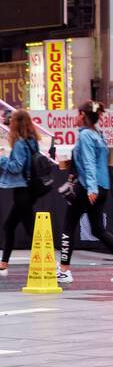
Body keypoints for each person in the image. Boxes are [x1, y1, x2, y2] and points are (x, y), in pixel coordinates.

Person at [57, 102, 113, 285]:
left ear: (82, 115)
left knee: (68, 226)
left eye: (77, 114)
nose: (75, 117)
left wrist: (91, 188)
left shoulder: (86, 135)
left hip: (88, 188)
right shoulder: (98, 135)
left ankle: (64, 270)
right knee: (98, 229)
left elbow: (88, 162)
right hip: (103, 187)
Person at [0, 109, 42, 276]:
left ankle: (46, 263)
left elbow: (16, 167)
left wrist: (2, 159)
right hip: (30, 189)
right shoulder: (33, 141)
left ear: (15, 124)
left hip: (22, 189)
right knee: (10, 225)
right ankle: (3, 264)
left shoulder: (19, 144)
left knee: (30, 229)